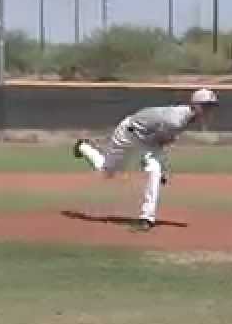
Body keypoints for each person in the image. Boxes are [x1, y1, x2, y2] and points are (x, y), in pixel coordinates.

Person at [73, 88, 219, 232]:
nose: (208, 110)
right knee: (107, 171)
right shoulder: (175, 120)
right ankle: (83, 147)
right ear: (195, 104)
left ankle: (146, 218)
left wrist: (158, 167)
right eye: (205, 105)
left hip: (145, 136)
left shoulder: (187, 116)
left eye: (211, 106)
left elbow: (157, 142)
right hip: (128, 134)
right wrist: (157, 164)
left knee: (154, 171)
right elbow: (156, 142)